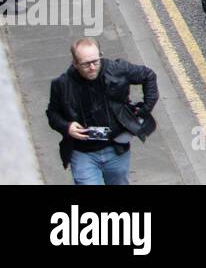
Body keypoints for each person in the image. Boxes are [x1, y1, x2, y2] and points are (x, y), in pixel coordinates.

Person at [45, 37, 157, 185]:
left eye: (95, 61)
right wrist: (66, 127)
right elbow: (52, 113)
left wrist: (146, 108)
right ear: (75, 63)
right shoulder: (61, 84)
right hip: (83, 152)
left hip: (116, 148)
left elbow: (148, 75)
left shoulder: (116, 69)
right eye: (86, 64)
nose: (92, 67)